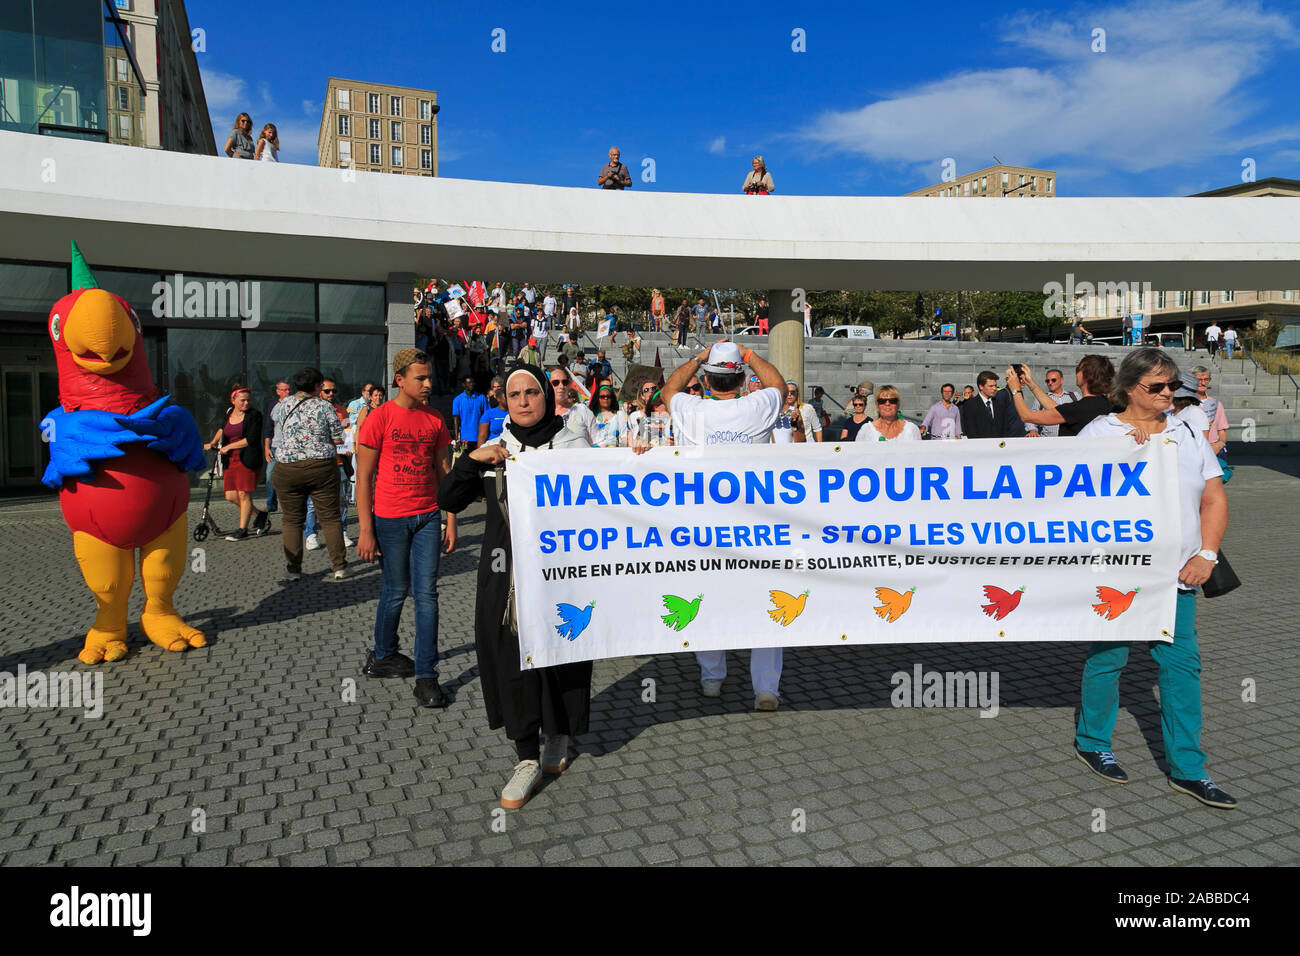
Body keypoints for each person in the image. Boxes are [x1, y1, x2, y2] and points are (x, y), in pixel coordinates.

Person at [1074, 348, 1235, 810]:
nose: (1169, 394)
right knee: (1108, 658)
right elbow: (1062, 495)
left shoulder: (1186, 432)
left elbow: (1213, 498)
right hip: (1118, 571)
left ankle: (1189, 769)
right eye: (1157, 387)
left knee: (1182, 668)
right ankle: (1093, 742)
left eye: (1172, 386)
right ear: (1127, 389)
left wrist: (1207, 553)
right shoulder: (1099, 433)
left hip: (1177, 574)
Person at [438, 365, 594, 809]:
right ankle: (525, 755)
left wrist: (639, 456)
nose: (523, 401)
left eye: (532, 392)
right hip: (503, 572)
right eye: (514, 394)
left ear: (547, 395)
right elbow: (447, 498)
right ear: (503, 401)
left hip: (562, 570)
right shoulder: (493, 449)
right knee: (511, 658)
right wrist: (471, 461)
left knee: (564, 652)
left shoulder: (573, 444)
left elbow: (615, 495)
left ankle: (559, 736)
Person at [661, 341, 787, 710]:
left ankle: (712, 676)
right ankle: (765, 688)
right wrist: (750, 355)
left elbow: (669, 388)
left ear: (708, 377)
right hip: (757, 528)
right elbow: (778, 385)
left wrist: (698, 357)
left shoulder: (692, 409)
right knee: (766, 603)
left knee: (705, 599)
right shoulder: (757, 406)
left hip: (704, 529)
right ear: (741, 376)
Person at [356, 348, 457, 708]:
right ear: (400, 379)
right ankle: (383, 655)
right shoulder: (379, 418)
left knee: (427, 595)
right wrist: (365, 529)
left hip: (428, 516)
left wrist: (451, 519)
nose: (428, 384)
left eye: (430, 377)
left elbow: (445, 475)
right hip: (390, 518)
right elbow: (363, 478)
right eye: (421, 378)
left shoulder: (434, 420)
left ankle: (426, 677)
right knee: (395, 591)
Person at [271, 367, 346, 581]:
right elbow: (338, 437)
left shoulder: (283, 404)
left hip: (287, 466)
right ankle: (339, 566)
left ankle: (293, 569)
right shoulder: (324, 406)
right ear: (316, 386)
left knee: (292, 520)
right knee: (330, 517)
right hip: (320, 466)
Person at [203, 385, 269, 540]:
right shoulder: (228, 413)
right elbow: (222, 429)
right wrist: (212, 442)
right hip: (230, 460)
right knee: (231, 496)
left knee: (243, 493)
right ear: (233, 400)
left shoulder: (255, 415)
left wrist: (228, 447)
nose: (246, 403)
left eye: (248, 400)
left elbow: (250, 439)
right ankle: (260, 515)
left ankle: (242, 530)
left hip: (247, 459)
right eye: (242, 400)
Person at [1006, 356, 1114, 438]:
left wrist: (1015, 389)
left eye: (1078, 369)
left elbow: (1027, 416)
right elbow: (1058, 410)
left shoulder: (1080, 408)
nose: (1076, 373)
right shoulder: (1107, 404)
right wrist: (1031, 383)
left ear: (1086, 375)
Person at [303, 380, 354, 550]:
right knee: (312, 502)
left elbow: (347, 433)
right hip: (318, 462)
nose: (331, 394)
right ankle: (310, 534)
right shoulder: (311, 410)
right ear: (319, 392)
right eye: (327, 391)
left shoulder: (341, 410)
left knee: (341, 501)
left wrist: (349, 447)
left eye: (334, 391)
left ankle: (343, 531)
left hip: (339, 462)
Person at [959, 371, 1032, 439]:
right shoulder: (970, 405)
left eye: (995, 386)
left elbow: (1004, 428)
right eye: (991, 386)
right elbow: (971, 431)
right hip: (980, 447)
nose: (994, 388)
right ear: (981, 386)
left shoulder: (999, 403)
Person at [263, 379, 291, 513]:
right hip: (275, 446)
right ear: (278, 391)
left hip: (290, 447)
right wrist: (266, 448)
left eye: (289, 389)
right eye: (284, 390)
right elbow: (268, 428)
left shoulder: (294, 404)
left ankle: (290, 504)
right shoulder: (273, 405)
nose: (287, 392)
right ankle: (271, 503)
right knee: (270, 475)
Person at [856, 386, 921, 443]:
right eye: (882, 401)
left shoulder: (911, 429)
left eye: (892, 401)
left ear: (898, 404)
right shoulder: (866, 429)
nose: (887, 404)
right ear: (877, 405)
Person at [549, 366, 597, 443]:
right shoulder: (538, 414)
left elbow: (598, 442)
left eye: (565, 382)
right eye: (555, 383)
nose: (561, 386)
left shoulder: (582, 410)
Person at [1189, 366, 1229, 456]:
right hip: (1192, 451)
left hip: (1215, 451)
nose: (1203, 383)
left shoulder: (1216, 404)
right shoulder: (1182, 403)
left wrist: (1219, 445)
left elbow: (1222, 431)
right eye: (1199, 380)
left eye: (1206, 379)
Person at [1031, 369, 1077, 438]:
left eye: (1053, 380)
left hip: (1070, 440)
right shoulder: (1041, 399)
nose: (1050, 383)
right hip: (1048, 441)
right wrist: (1032, 430)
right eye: (1047, 381)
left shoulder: (1074, 396)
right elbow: (1031, 417)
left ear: (1061, 380)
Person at [452, 376, 488, 454]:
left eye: (473, 382)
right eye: (469, 383)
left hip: (479, 437)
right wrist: (456, 440)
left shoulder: (482, 398)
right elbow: (456, 420)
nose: (471, 384)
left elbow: (487, 417)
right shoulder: (457, 400)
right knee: (466, 460)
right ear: (464, 385)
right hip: (465, 438)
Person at [478, 375, 509, 444]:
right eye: (494, 387)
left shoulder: (512, 412)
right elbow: (482, 435)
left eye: (498, 387)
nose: (496, 389)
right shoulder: (489, 412)